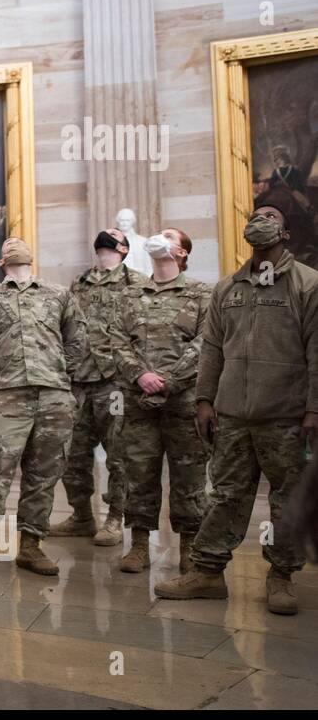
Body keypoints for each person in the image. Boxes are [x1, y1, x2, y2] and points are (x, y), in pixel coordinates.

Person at [155, 205, 318, 615]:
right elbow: (211, 349)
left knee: (285, 499)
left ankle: (281, 574)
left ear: (285, 231)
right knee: (224, 495)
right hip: (231, 416)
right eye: (256, 213)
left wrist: (314, 410)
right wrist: (205, 400)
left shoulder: (308, 285)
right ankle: (208, 573)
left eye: (271, 214)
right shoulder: (228, 288)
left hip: (286, 416)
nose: (261, 218)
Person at [0, 237, 85, 578]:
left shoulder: (58, 294)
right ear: (1, 262)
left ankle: (30, 545)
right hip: (8, 396)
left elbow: (77, 341)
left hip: (54, 396)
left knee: (44, 475)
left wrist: (56, 370)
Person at [110, 229, 210, 575]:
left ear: (181, 252)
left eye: (168, 235)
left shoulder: (200, 294)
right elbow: (117, 341)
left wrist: (168, 381)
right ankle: (138, 545)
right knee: (138, 472)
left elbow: (205, 344)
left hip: (183, 403)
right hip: (138, 400)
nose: (159, 237)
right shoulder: (130, 294)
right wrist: (141, 375)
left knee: (189, 476)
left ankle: (190, 547)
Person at [52, 228, 148, 546]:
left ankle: (116, 518)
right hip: (79, 380)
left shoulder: (137, 283)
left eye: (113, 236)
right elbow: (65, 326)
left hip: (116, 382)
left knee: (118, 455)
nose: (105, 238)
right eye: (102, 236)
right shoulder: (79, 283)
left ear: (124, 248)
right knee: (73, 453)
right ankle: (81, 515)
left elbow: (145, 334)